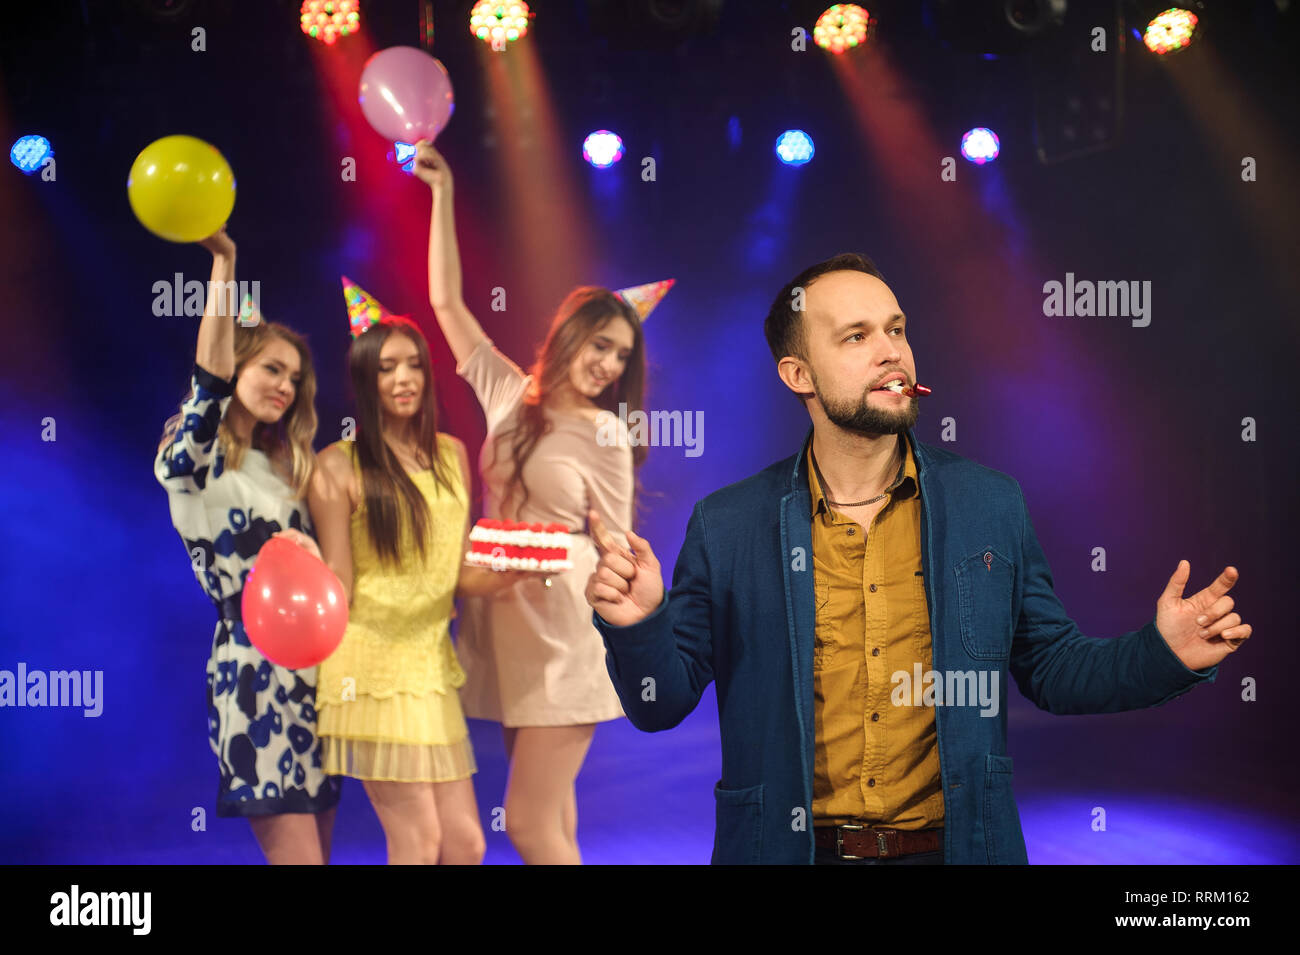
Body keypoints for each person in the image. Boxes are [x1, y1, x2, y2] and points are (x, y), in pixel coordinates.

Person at [585, 252, 1252, 865]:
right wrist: (639, 622)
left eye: (896, 329)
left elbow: (1052, 668)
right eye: (857, 336)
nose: (891, 351)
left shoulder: (989, 503)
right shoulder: (727, 524)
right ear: (798, 375)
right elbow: (659, 703)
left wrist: (1161, 652)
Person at [415, 139, 652, 864]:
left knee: (527, 823)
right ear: (569, 331)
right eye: (602, 345)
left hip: (560, 620)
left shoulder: (607, 431)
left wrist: (630, 608)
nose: (609, 364)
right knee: (556, 822)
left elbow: (617, 536)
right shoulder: (506, 392)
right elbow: (446, 302)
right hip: (499, 606)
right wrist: (444, 196)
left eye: (621, 356)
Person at [308, 299, 522, 865]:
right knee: (418, 842)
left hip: (430, 668)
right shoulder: (337, 465)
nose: (402, 378)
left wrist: (525, 567)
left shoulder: (452, 455)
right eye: (385, 367)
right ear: (364, 378)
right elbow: (337, 582)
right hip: (370, 668)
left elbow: (455, 577)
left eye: (413, 364)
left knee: (467, 845)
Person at [154, 227, 341, 864]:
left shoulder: (287, 468)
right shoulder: (194, 460)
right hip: (252, 676)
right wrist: (226, 261)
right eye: (270, 368)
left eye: (295, 377)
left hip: (315, 680)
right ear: (238, 363)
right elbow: (208, 383)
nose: (285, 386)